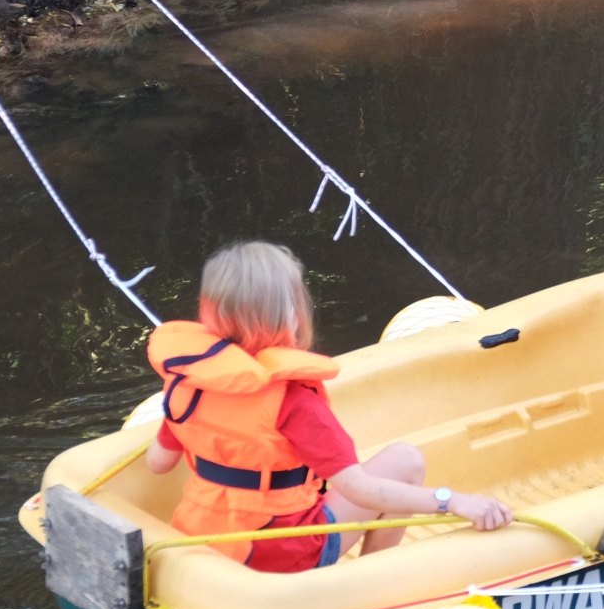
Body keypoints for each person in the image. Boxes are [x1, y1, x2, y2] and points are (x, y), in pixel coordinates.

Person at [144, 241, 513, 573]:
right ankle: (371, 581)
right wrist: (453, 501)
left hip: (202, 542)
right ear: (289, 315)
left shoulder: (187, 382)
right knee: (406, 461)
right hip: (282, 554)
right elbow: (360, 490)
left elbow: (158, 463)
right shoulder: (294, 401)